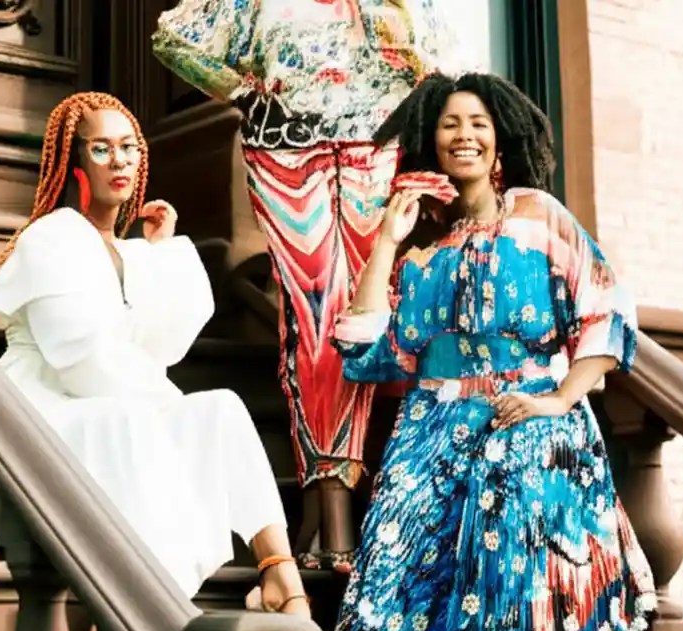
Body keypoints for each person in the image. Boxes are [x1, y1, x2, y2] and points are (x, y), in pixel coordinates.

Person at [326, 72, 656, 631]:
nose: (464, 135)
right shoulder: (426, 255)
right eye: (450, 124)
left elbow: (603, 302)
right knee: (399, 502)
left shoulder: (538, 216)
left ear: (499, 137)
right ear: (432, 143)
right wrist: (386, 243)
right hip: (437, 414)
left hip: (528, 403)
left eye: (477, 122)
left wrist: (562, 397)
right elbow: (370, 350)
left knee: (521, 468)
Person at [153, 0, 460, 573]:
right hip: (283, 154)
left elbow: (441, 68)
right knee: (313, 315)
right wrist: (246, 94)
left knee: (355, 322)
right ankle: (330, 498)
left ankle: (331, 504)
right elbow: (172, 40)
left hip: (376, 153)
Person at [0, 91, 309, 614]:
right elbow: (78, 361)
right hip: (48, 404)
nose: (121, 161)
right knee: (129, 422)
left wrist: (161, 251)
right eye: (102, 149)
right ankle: (159, 603)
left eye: (130, 148)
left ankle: (280, 577)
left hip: (120, 395)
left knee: (220, 407)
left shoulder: (131, 251)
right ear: (72, 161)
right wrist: (158, 402)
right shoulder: (50, 239)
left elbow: (164, 345)